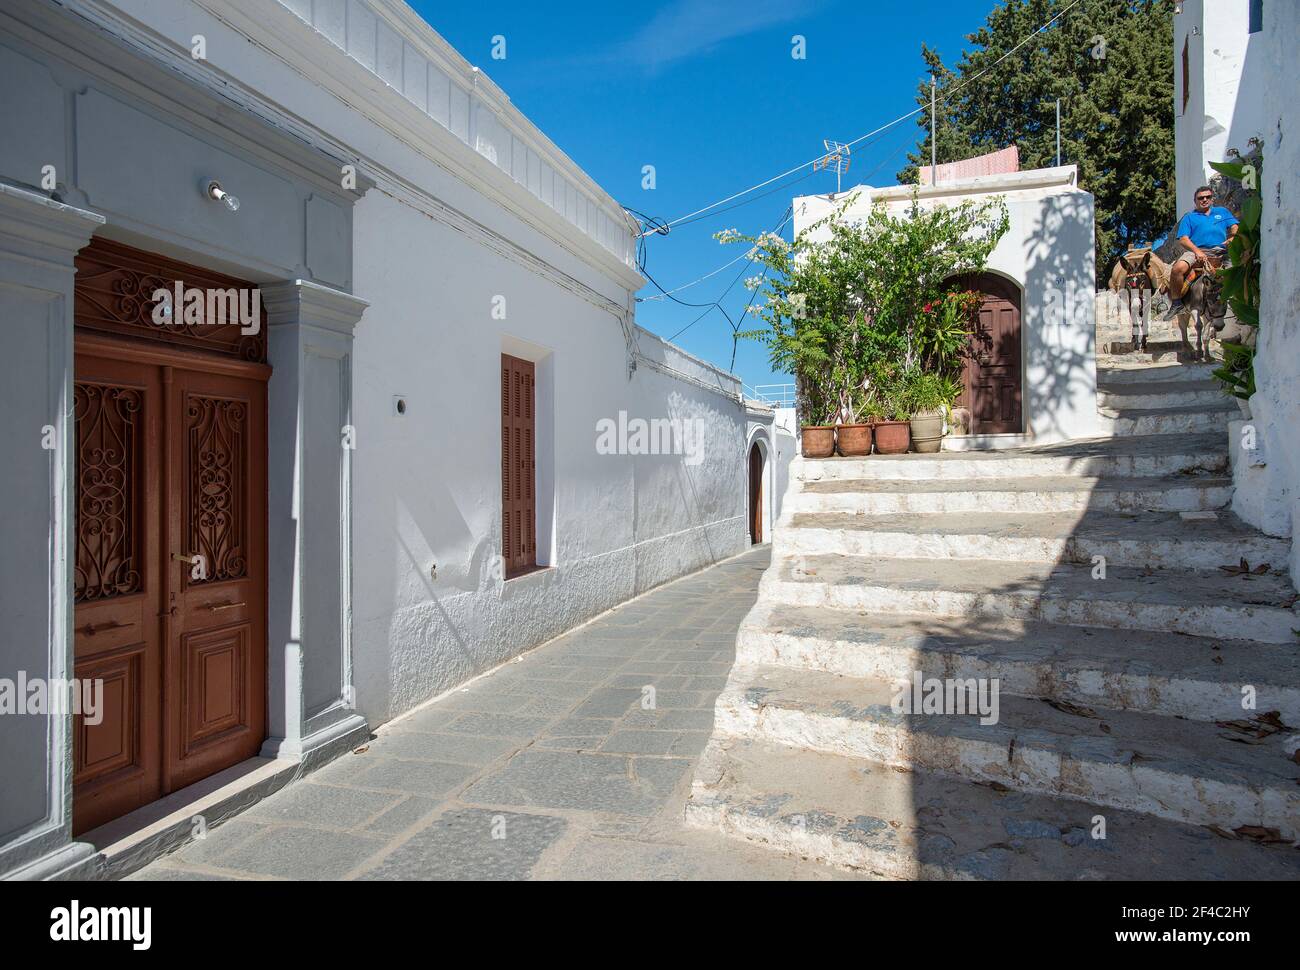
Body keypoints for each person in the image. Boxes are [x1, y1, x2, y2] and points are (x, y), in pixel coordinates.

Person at [1167, 186, 1238, 311]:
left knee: (1238, 269)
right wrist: (1197, 251)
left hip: (1221, 250)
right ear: (1195, 201)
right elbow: (1183, 239)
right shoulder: (1189, 217)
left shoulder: (1222, 212)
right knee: (1178, 269)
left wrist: (1232, 238)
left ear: (1212, 199)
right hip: (1195, 251)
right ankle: (1176, 303)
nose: (1204, 199)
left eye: (1208, 197)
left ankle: (1240, 302)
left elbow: (1234, 227)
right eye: (1201, 198)